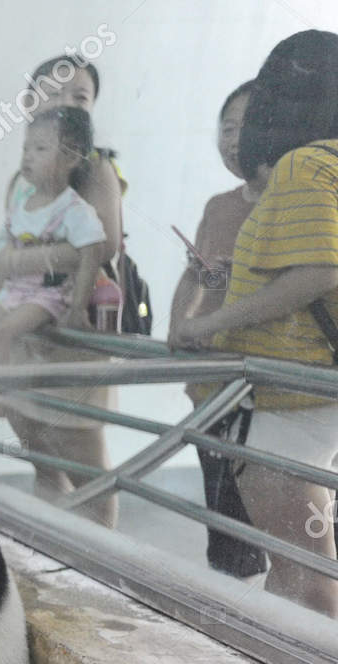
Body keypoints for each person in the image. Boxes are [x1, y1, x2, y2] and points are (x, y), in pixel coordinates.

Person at [173, 30, 338, 616]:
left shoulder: (305, 164)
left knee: (302, 571)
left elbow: (318, 271)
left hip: (288, 396)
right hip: (310, 393)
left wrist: (217, 324)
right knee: (299, 564)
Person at [0, 56, 129, 527]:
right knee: (40, 455)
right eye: (54, 93)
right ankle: (48, 557)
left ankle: (99, 571)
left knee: (87, 466)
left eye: (79, 98)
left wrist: (20, 261)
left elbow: (103, 242)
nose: (67, 103)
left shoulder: (98, 169)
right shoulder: (22, 177)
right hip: (27, 328)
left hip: (71, 327)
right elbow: (10, 245)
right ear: (30, 104)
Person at [170, 81, 269, 579]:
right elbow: (203, 275)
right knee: (227, 529)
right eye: (226, 127)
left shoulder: (296, 205)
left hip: (270, 394)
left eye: (246, 125)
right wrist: (180, 325)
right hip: (211, 388)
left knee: (291, 523)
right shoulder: (218, 206)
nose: (234, 139)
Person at [0, 107, 105, 368]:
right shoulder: (22, 203)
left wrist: (78, 308)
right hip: (13, 291)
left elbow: (91, 254)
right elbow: (5, 256)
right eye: (26, 149)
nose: (28, 157)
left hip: (48, 296)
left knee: (0, 335)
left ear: (71, 158)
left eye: (40, 149)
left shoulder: (74, 210)